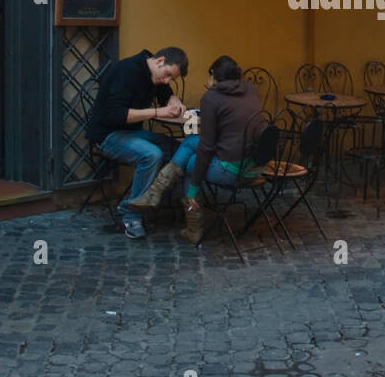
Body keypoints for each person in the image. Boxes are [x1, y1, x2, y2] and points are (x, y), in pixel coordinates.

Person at [139, 55, 266, 244]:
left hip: (233, 172)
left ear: (213, 76)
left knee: (191, 164)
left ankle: (187, 221)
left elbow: (207, 147)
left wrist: (194, 188)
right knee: (191, 143)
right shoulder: (250, 90)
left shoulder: (212, 97)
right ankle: (157, 195)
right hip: (256, 167)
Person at [87, 46, 189, 238]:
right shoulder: (127, 72)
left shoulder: (154, 71)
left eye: (171, 78)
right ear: (160, 61)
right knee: (151, 155)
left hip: (133, 133)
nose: (167, 80)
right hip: (108, 135)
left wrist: (173, 99)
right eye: (167, 75)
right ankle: (131, 214)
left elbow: (164, 92)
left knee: (180, 149)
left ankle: (168, 203)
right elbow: (116, 114)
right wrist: (158, 112)